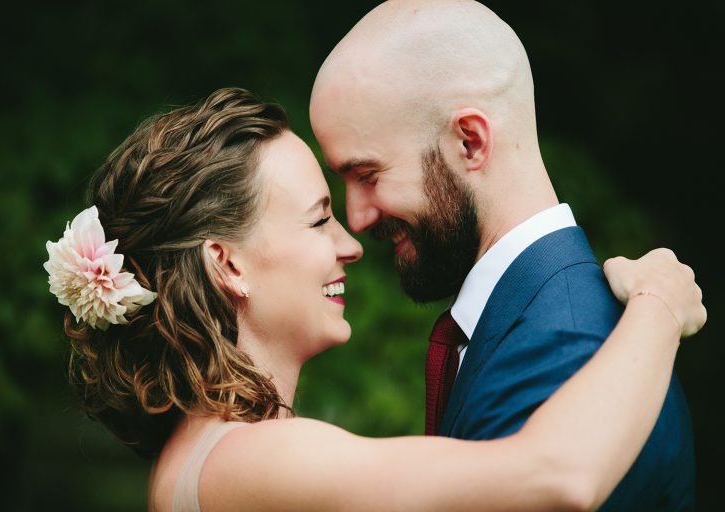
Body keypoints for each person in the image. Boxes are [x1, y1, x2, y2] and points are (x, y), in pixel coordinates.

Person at [44, 88, 705, 511]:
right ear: (228, 265)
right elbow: (559, 476)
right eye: (317, 219)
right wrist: (659, 304)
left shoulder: (201, 457)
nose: (352, 243)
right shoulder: (250, 460)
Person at [308, 1, 697, 509]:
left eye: (368, 175)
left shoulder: (567, 357)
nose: (355, 219)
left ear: (470, 142)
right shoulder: (545, 324)